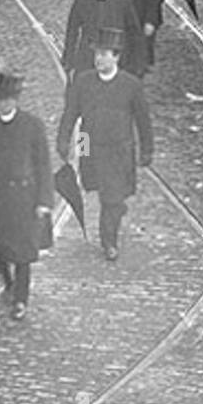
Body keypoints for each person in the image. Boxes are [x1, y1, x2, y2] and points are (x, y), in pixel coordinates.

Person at [56, 29, 153, 261]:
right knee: (99, 189)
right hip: (89, 145)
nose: (98, 59)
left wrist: (147, 150)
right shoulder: (84, 81)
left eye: (104, 54)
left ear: (116, 57)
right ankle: (114, 210)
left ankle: (109, 240)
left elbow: (143, 120)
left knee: (112, 196)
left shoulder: (130, 85)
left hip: (119, 151)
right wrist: (64, 141)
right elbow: (71, 113)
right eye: (97, 54)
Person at [0, 70, 53, 321]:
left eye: (5, 100)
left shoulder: (32, 125)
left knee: (23, 252)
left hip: (23, 197)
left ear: (14, 101)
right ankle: (8, 281)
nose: (0, 104)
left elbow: (43, 164)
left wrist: (44, 201)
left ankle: (20, 300)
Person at [62, 0, 145, 80]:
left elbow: (134, 33)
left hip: (115, 60)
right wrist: (68, 60)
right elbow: (72, 32)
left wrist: (137, 62)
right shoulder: (82, 1)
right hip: (87, 59)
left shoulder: (123, 2)